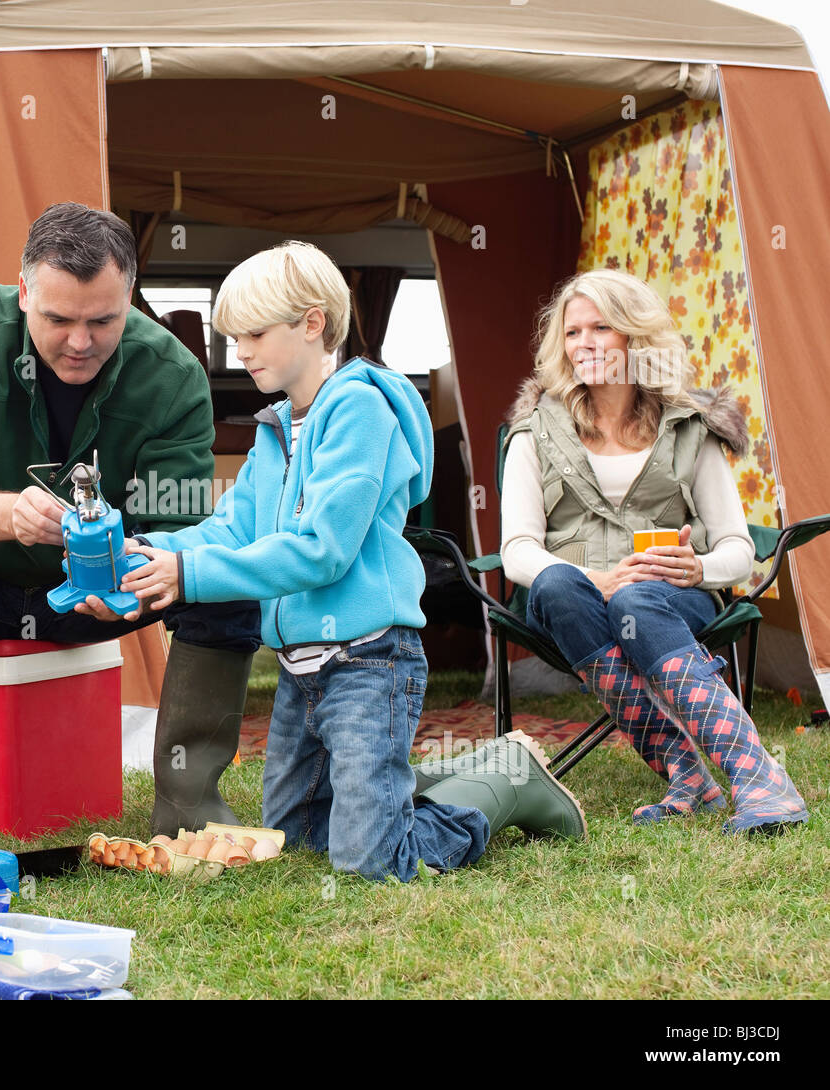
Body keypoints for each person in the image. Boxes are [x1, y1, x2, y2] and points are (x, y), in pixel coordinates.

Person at [119, 242, 586, 882]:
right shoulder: (278, 427)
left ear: (312, 324)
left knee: (371, 863)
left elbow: (323, 550)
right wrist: (153, 550)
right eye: (235, 337)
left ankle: (506, 790)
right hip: (299, 671)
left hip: (369, 661)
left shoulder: (359, 410)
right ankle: (440, 774)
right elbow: (233, 525)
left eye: (254, 334)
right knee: (299, 837)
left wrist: (189, 578)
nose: (241, 352)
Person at [0, 202, 259, 838]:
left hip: (102, 597)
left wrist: (126, 573)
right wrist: (5, 513)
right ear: (22, 293)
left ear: (130, 297)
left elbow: (185, 526)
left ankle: (188, 807)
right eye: (58, 318)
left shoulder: (172, 375)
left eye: (104, 320)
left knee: (224, 571)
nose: (80, 341)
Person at [500, 268, 807, 833]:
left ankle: (760, 781)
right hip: (575, 605)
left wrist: (698, 568)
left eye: (602, 328)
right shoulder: (536, 429)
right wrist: (598, 580)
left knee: (638, 601)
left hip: (673, 602)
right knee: (556, 584)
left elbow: (739, 550)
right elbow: (518, 549)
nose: (584, 343)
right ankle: (686, 770)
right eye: (572, 333)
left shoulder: (691, 426)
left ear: (635, 338)